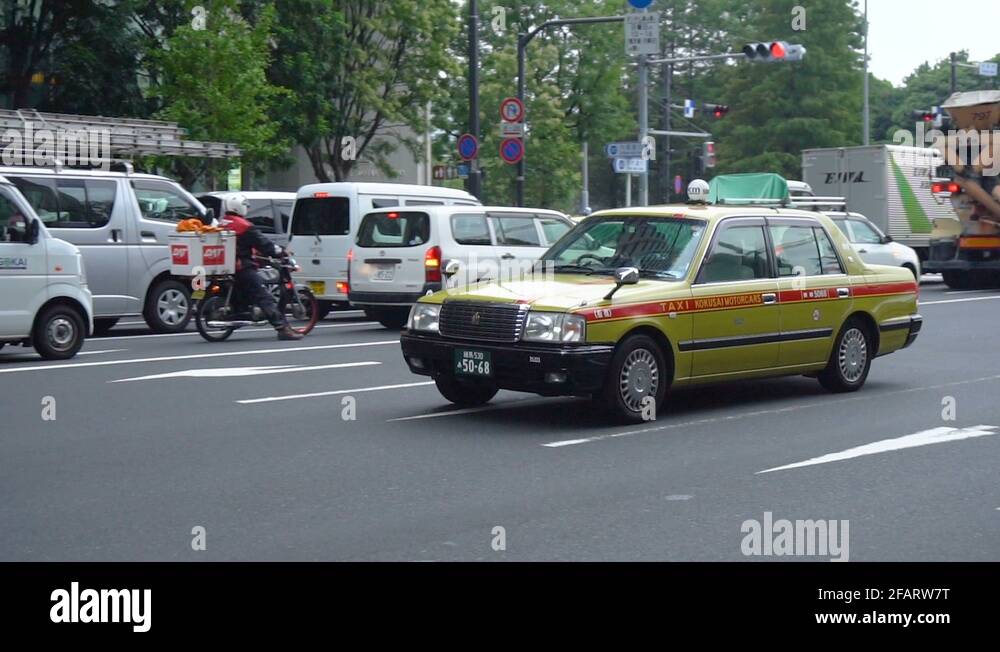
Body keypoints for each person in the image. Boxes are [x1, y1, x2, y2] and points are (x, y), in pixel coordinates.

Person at [218, 194, 303, 341]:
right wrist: (280, 252)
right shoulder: (244, 226)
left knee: (247, 292)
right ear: (240, 207)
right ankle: (282, 329)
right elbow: (264, 244)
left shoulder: (222, 222)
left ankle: (242, 311)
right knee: (264, 297)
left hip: (226, 266)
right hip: (242, 267)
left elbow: (244, 245)